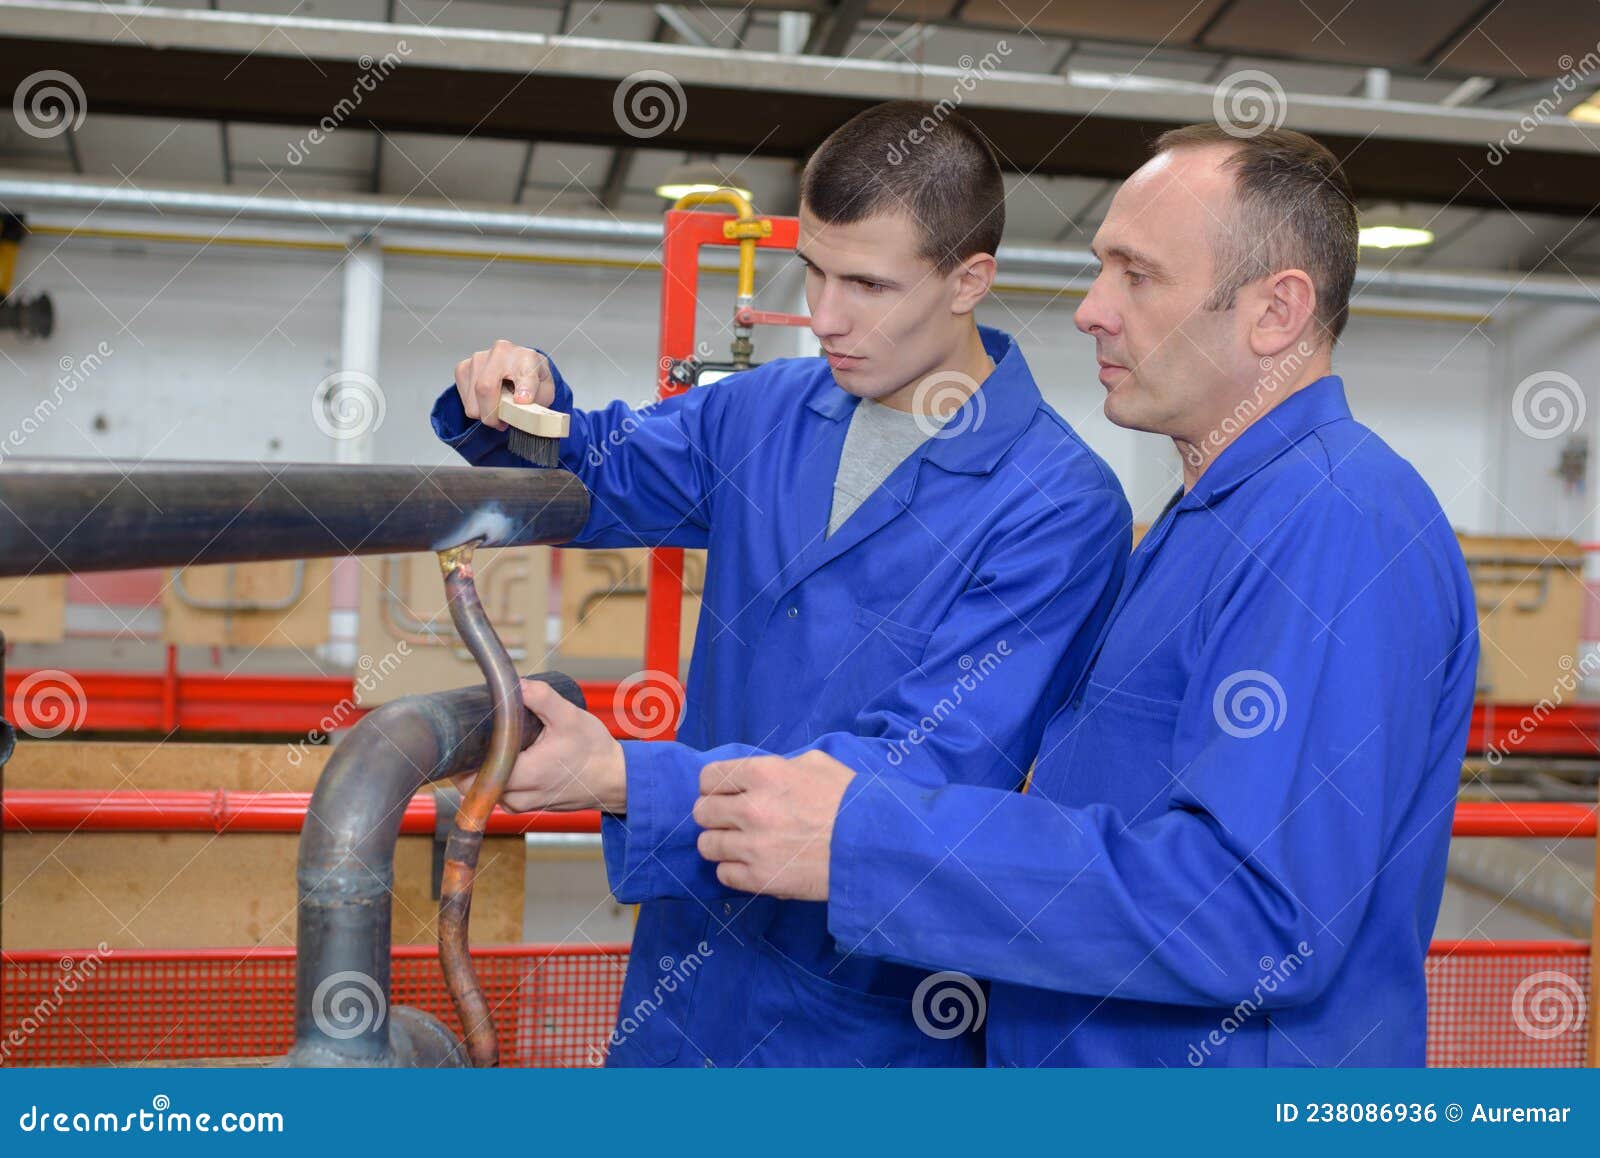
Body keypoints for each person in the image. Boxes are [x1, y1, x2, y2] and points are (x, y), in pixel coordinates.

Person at [694, 123, 1479, 1067]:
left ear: (1275, 312)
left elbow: (1253, 915)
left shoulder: (1334, 524)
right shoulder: (1209, 521)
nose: (1091, 311)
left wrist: (871, 840)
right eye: (1101, 268)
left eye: (1136, 276)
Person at [431, 100, 1130, 1066]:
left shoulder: (1055, 506)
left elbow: (923, 772)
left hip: (864, 1018)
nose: (826, 317)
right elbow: (595, 471)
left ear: (970, 280)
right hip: (684, 981)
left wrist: (623, 777)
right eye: (814, 270)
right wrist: (522, 405)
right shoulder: (764, 412)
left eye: (869, 285)